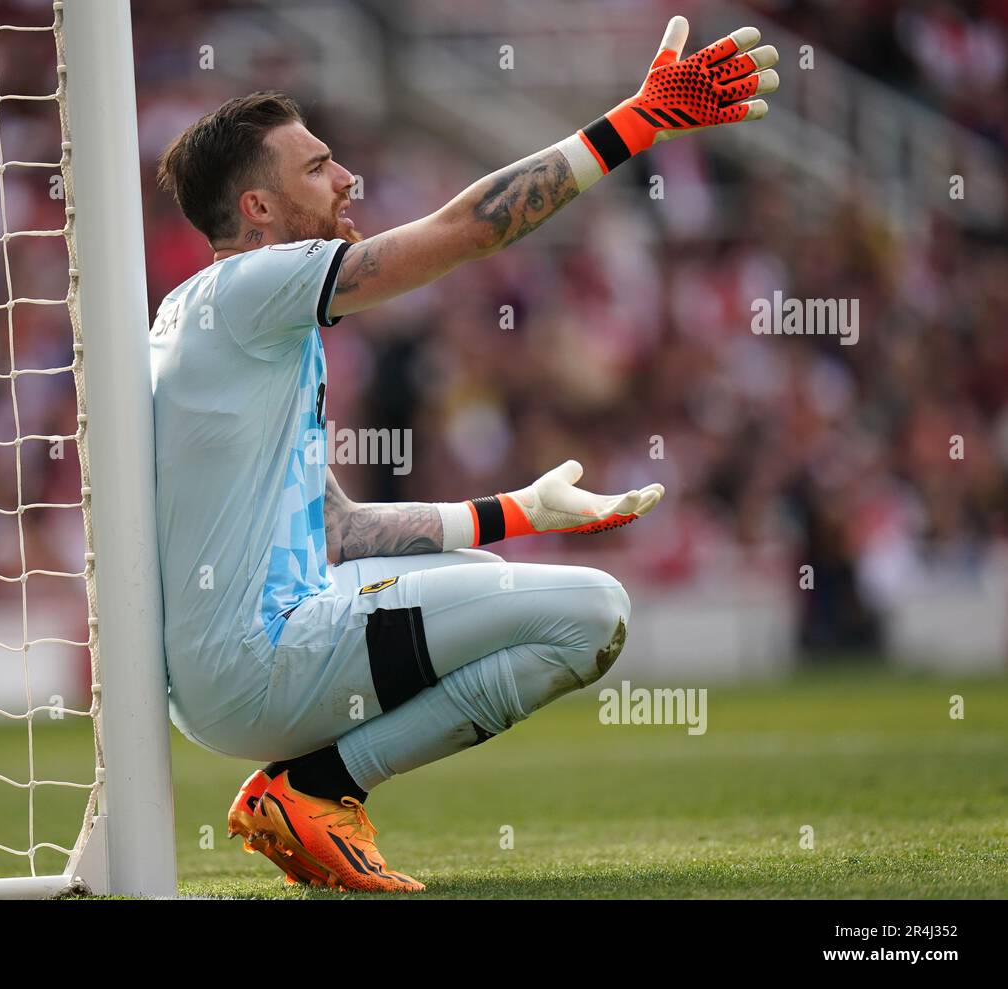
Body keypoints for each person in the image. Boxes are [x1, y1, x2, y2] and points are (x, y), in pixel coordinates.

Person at [150, 16, 777, 891]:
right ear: (256, 208)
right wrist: (639, 120)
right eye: (318, 166)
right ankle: (320, 787)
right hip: (256, 662)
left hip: (233, 664)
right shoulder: (259, 285)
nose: (347, 176)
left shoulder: (215, 314)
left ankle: (308, 788)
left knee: (489, 572)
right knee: (590, 614)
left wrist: (521, 512)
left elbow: (338, 525)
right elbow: (468, 231)